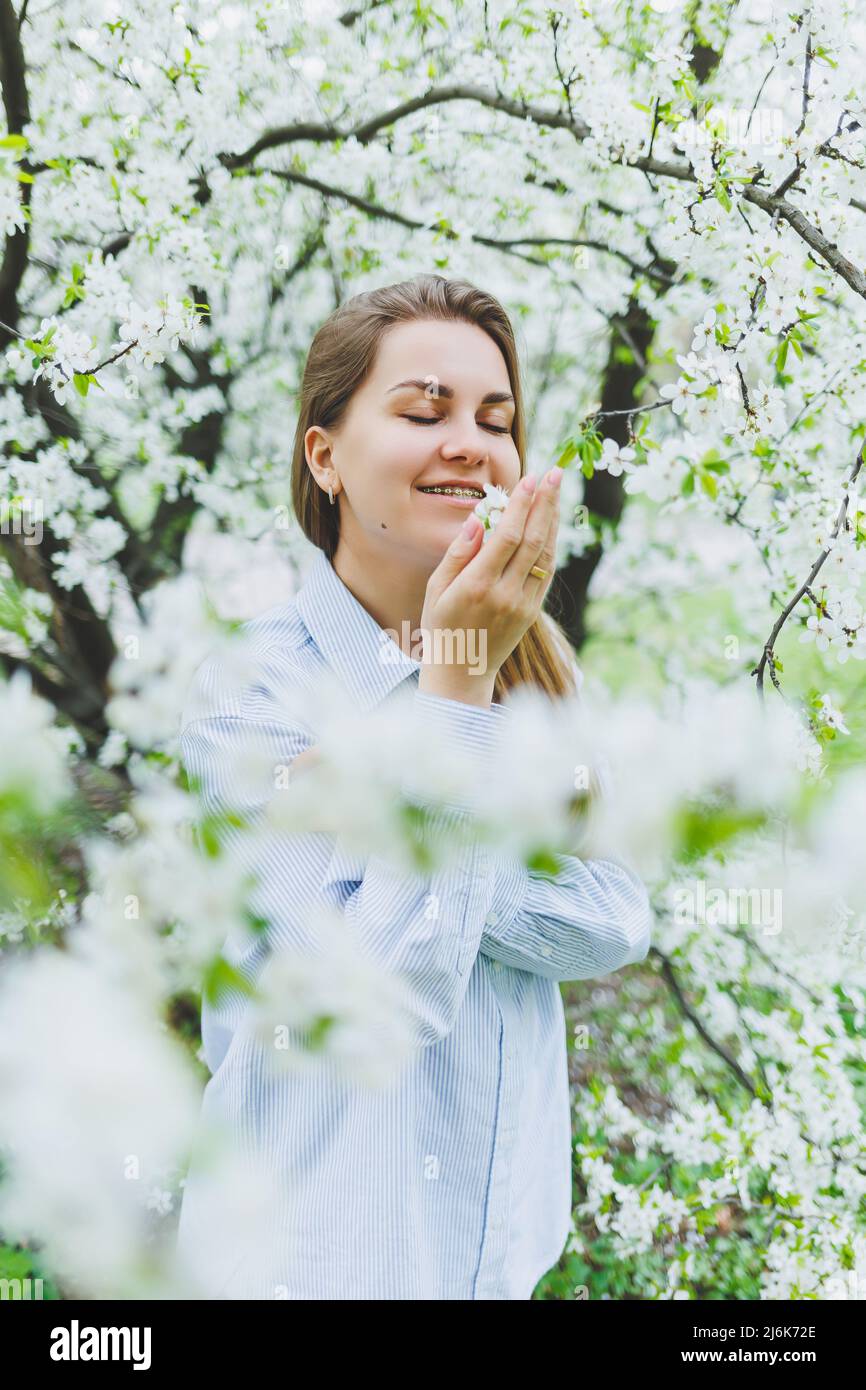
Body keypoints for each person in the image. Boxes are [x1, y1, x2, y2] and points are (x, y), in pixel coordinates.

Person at [175, 273, 652, 1300]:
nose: (470, 442)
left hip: (491, 1258)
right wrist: (453, 689)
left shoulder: (545, 674)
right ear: (325, 455)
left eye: (495, 417)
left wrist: (387, 823)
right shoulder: (245, 691)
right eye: (422, 410)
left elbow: (614, 919)